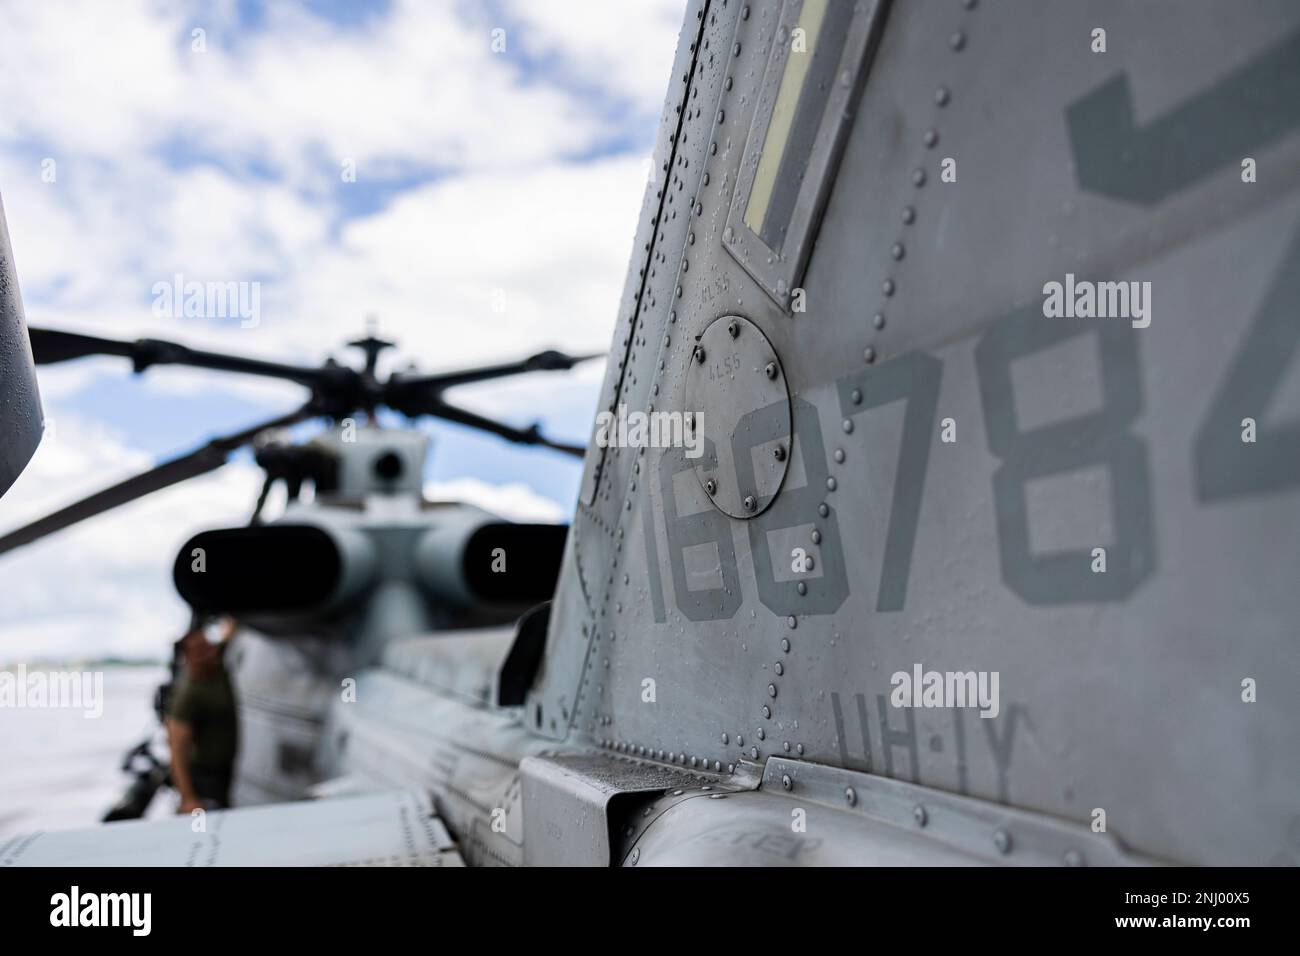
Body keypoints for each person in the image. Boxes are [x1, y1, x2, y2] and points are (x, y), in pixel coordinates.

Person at [165, 617, 239, 812]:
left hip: (225, 770)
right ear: (187, 658)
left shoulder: (216, 665)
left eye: (208, 646)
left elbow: (230, 631)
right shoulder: (188, 695)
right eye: (200, 651)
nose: (209, 653)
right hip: (202, 777)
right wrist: (188, 798)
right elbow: (176, 749)